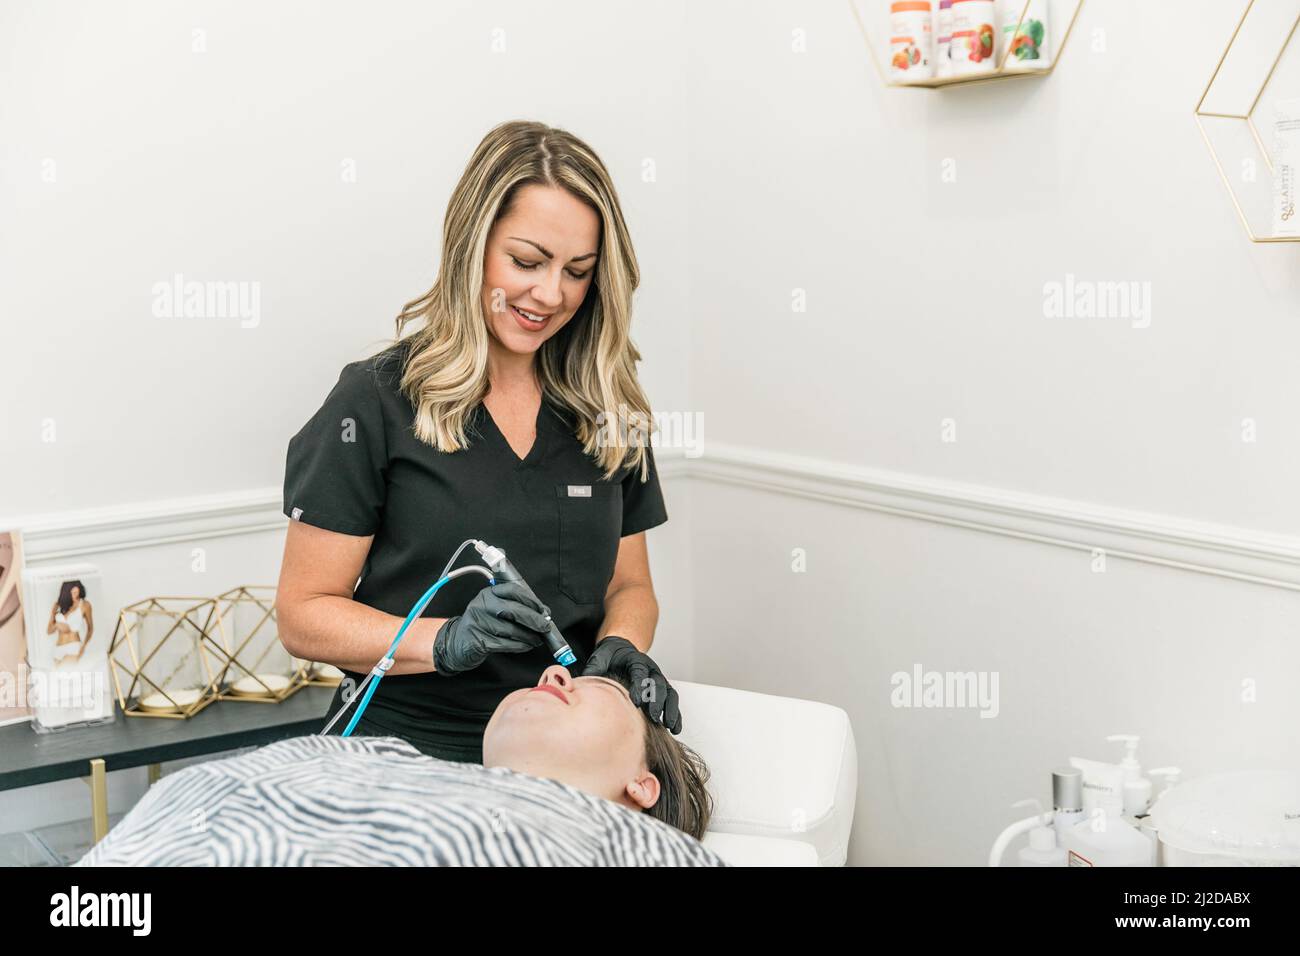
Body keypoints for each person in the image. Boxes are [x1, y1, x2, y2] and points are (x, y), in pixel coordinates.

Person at [277, 120, 682, 763]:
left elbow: (629, 587)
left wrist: (620, 650)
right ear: (473, 245)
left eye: (578, 271)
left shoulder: (609, 409)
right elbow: (303, 615)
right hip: (404, 750)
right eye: (527, 261)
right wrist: (442, 642)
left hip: (557, 755)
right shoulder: (375, 400)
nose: (550, 294)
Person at [75, 666, 722, 866]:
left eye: (596, 687)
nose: (556, 671)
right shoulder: (370, 757)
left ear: (641, 787)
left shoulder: (637, 852)